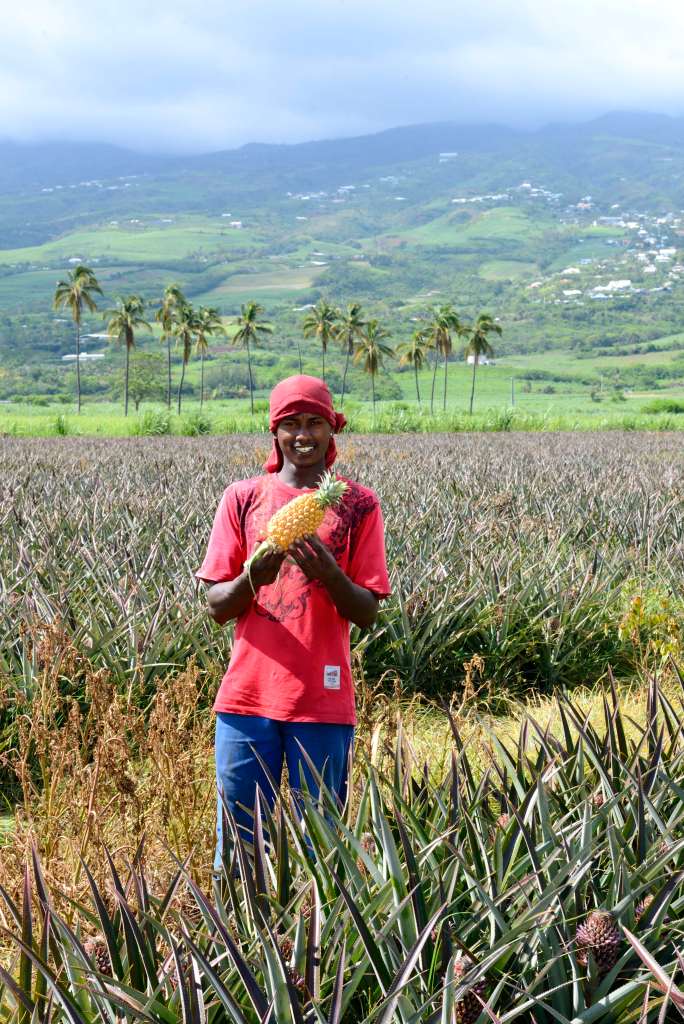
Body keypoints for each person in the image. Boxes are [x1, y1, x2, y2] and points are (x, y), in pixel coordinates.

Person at [196, 374, 390, 869]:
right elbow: (216, 606)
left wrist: (330, 575)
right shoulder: (242, 497)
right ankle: (238, 919)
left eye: (314, 423)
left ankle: (317, 921)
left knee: (322, 847)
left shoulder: (359, 504)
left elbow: (367, 612)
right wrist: (250, 579)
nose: (303, 435)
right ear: (275, 431)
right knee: (239, 845)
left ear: (332, 429)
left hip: (322, 700)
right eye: (291, 424)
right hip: (247, 699)